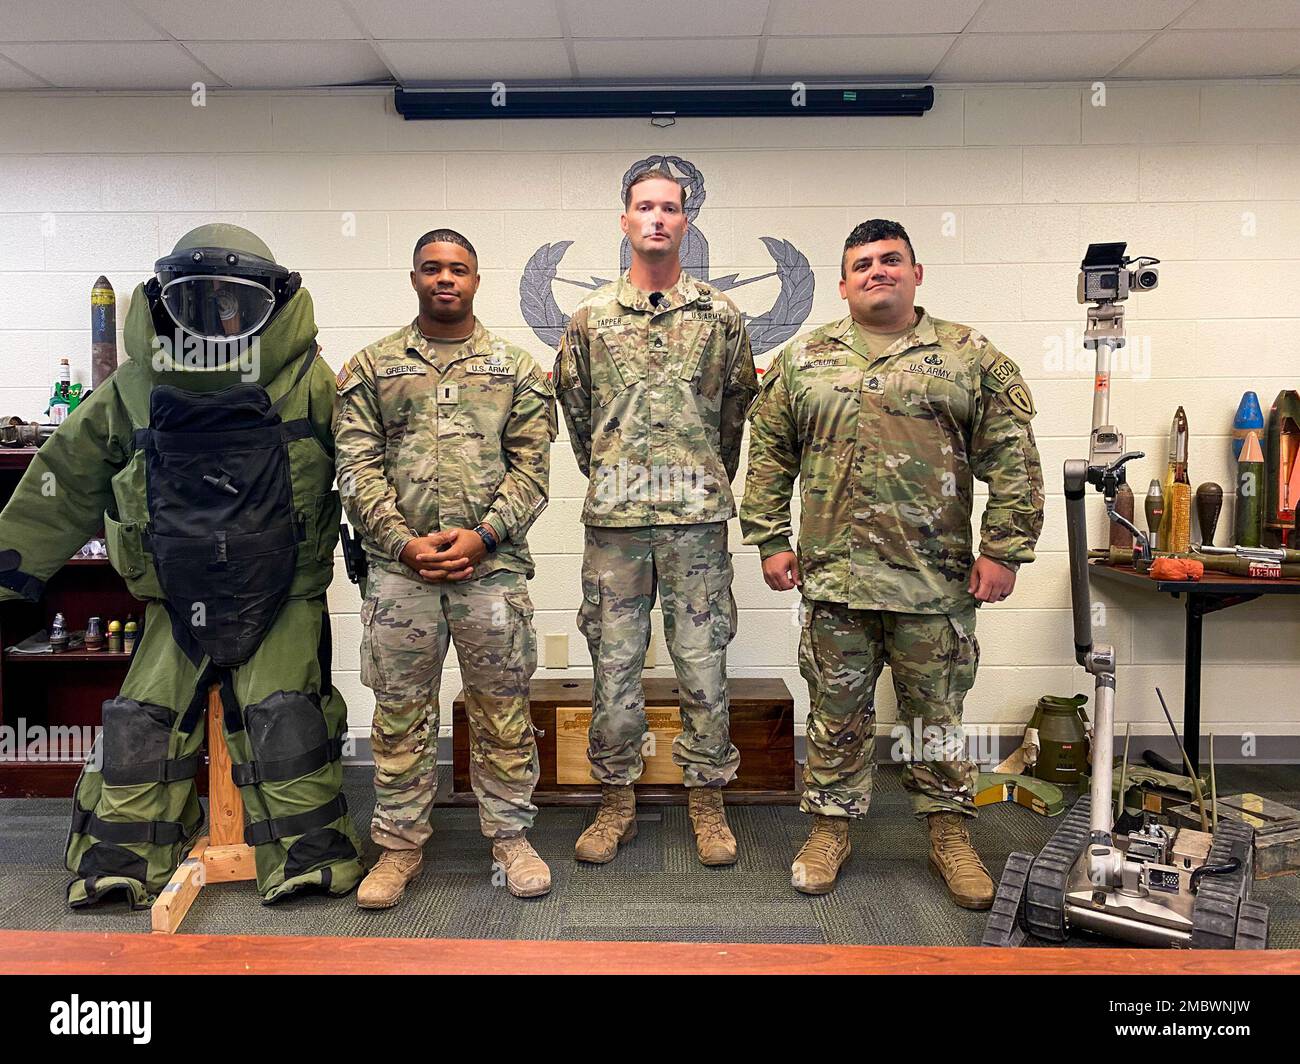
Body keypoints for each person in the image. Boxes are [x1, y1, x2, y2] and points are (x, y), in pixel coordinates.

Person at [0, 224, 364, 908]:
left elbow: (366, 470)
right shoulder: (134, 388)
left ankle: (308, 855)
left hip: (283, 590)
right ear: (165, 303)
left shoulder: (308, 379)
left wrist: (391, 561)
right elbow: (66, 479)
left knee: (284, 719)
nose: (218, 316)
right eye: (200, 300)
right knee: (143, 723)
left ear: (273, 303)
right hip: (173, 595)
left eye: (237, 302)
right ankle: (120, 859)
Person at [741, 219, 1044, 906]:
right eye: (862, 264)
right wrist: (770, 539)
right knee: (835, 714)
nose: (877, 271)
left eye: (890, 260)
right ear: (843, 284)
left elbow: (1014, 460)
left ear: (916, 272)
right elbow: (768, 456)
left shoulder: (970, 357)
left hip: (932, 584)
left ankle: (949, 834)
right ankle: (829, 829)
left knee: (934, 717)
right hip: (834, 583)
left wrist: (1004, 550)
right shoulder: (805, 359)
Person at [336, 229, 556, 905]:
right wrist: (403, 543)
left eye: (457, 269)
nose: (445, 279)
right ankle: (398, 848)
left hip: (490, 572)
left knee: (502, 710)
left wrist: (484, 536)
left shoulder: (515, 367)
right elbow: (356, 466)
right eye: (432, 268)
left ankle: (511, 839)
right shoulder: (371, 367)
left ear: (476, 279)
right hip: (400, 576)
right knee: (400, 715)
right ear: (414, 279)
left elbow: (533, 469)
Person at [553, 167, 758, 867]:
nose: (658, 218)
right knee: (613, 669)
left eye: (670, 208)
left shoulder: (721, 318)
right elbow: (579, 421)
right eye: (645, 207)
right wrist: (618, 473)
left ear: (686, 222)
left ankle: (708, 800)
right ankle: (616, 802)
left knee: (703, 666)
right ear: (625, 221)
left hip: (696, 521)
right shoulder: (589, 321)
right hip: (616, 524)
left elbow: (734, 416)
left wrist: (697, 474)